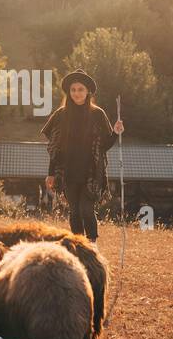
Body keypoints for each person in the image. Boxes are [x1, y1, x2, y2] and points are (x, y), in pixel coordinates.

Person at [41, 69, 124, 243]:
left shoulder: (97, 114)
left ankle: (92, 245)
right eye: (73, 90)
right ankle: (79, 246)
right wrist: (50, 173)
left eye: (80, 89)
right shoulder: (60, 115)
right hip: (68, 172)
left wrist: (115, 133)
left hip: (92, 173)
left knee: (86, 210)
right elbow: (54, 148)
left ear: (88, 92)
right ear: (69, 92)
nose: (77, 93)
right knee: (75, 211)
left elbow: (105, 146)